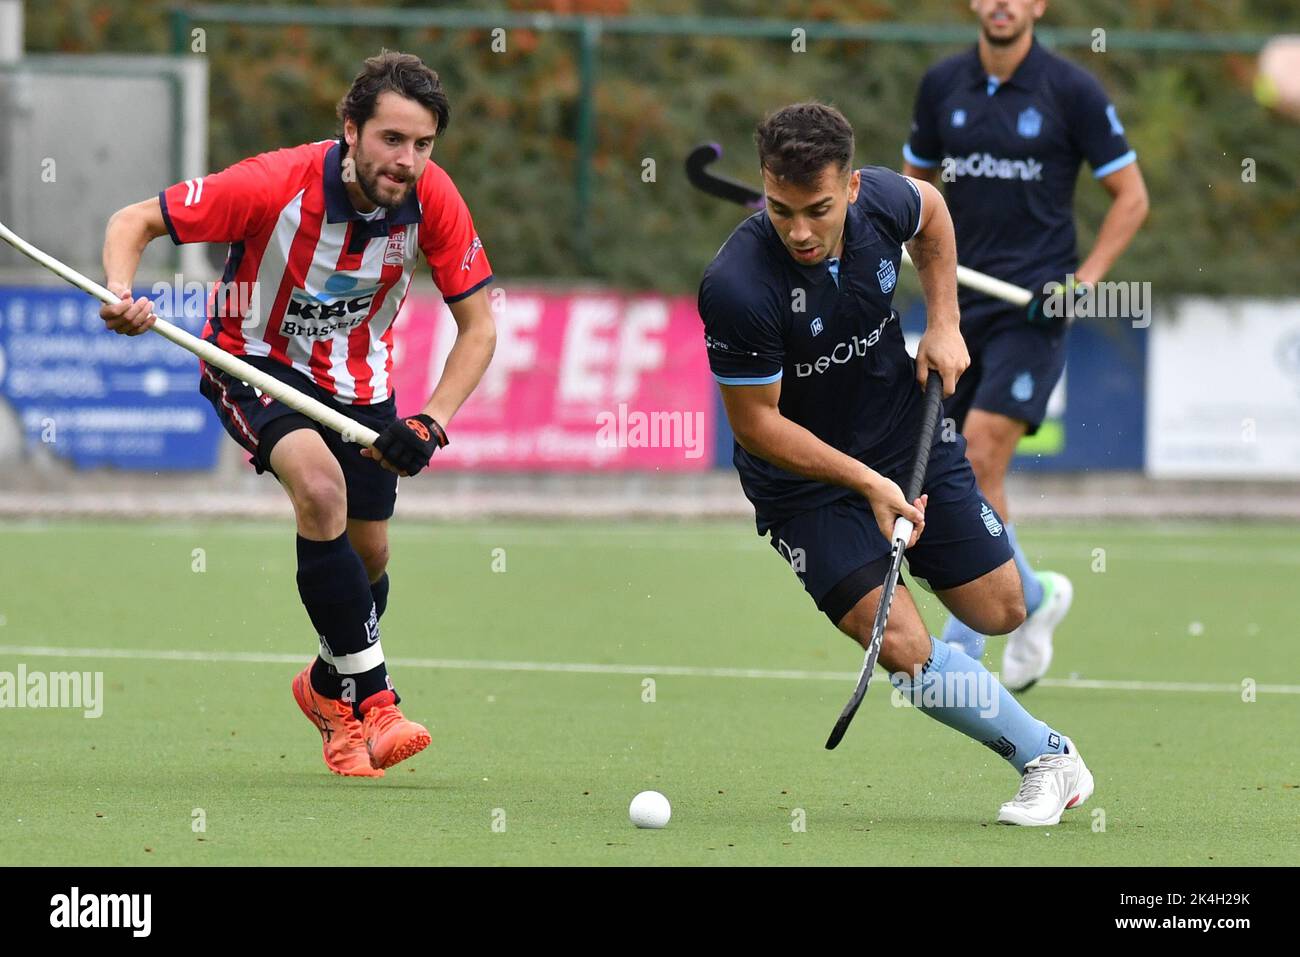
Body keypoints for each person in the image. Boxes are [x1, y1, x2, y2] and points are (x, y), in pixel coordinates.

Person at [98, 51, 496, 777]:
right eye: (392, 139)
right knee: (320, 491)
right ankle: (376, 700)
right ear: (351, 129)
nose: (407, 161)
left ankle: (323, 690)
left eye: (423, 145)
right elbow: (134, 220)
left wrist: (431, 419)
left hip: (360, 379)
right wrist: (122, 291)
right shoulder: (271, 184)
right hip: (255, 364)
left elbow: (480, 327)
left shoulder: (433, 198)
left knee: (368, 556)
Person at [699, 102, 1091, 825]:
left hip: (902, 427)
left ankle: (1039, 595)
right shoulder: (738, 287)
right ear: (764, 188)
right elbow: (757, 425)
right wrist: (868, 485)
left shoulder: (883, 199)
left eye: (818, 208)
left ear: (850, 187)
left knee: (996, 609)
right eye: (782, 211)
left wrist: (944, 320)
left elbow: (934, 215)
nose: (801, 231)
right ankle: (1049, 759)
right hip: (804, 484)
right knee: (907, 648)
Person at [902, 0, 1149, 690]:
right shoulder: (941, 86)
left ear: (1038, 5)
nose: (1003, 3)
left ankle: (963, 650)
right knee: (946, 465)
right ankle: (1035, 597)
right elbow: (914, 189)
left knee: (980, 454)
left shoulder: (1071, 89)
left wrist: (1083, 281)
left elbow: (1130, 195)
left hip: (1034, 311)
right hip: (954, 305)